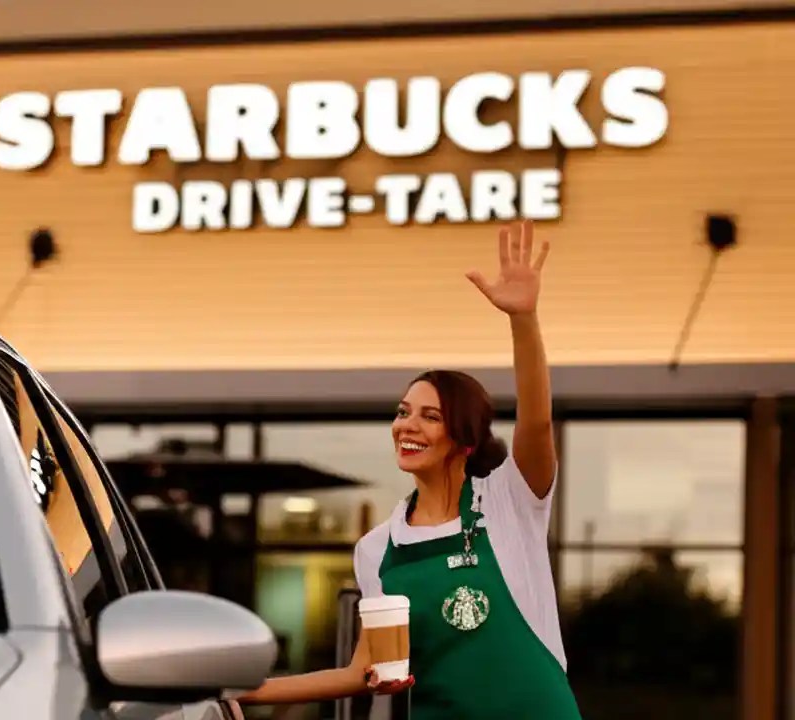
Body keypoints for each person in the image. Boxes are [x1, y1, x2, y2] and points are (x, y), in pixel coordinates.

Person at [232, 220, 583, 719]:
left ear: (463, 438)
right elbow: (361, 672)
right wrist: (244, 692)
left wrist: (523, 319)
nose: (407, 425)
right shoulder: (377, 550)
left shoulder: (509, 502)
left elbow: (538, 420)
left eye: (429, 415)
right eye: (402, 412)